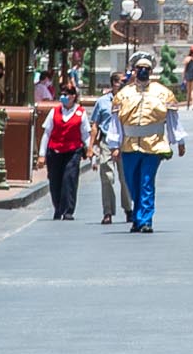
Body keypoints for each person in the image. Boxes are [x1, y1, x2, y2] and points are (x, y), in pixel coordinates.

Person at [114, 55, 176, 231]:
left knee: (146, 182)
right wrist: (114, 146)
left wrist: (177, 141)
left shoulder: (163, 92)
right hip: (129, 145)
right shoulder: (123, 94)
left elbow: (172, 119)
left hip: (153, 145)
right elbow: (115, 123)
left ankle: (145, 220)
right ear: (134, 70)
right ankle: (137, 214)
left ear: (151, 71)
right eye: (139, 68)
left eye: (146, 69)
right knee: (131, 183)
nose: (142, 71)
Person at [40, 86, 88, 221]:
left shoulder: (80, 113)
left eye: (66, 94)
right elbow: (46, 133)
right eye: (62, 94)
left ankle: (68, 211)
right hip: (54, 151)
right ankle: (58, 208)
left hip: (73, 151)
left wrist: (90, 151)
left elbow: (85, 134)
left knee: (69, 179)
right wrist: (42, 154)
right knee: (55, 180)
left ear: (73, 96)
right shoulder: (54, 112)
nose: (63, 97)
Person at [90, 74, 124, 225]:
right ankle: (108, 211)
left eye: (123, 81)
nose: (121, 84)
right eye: (118, 81)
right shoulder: (102, 102)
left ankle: (129, 209)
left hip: (125, 141)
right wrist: (91, 147)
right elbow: (95, 125)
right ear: (112, 84)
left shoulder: (130, 100)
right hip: (106, 141)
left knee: (126, 178)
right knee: (107, 178)